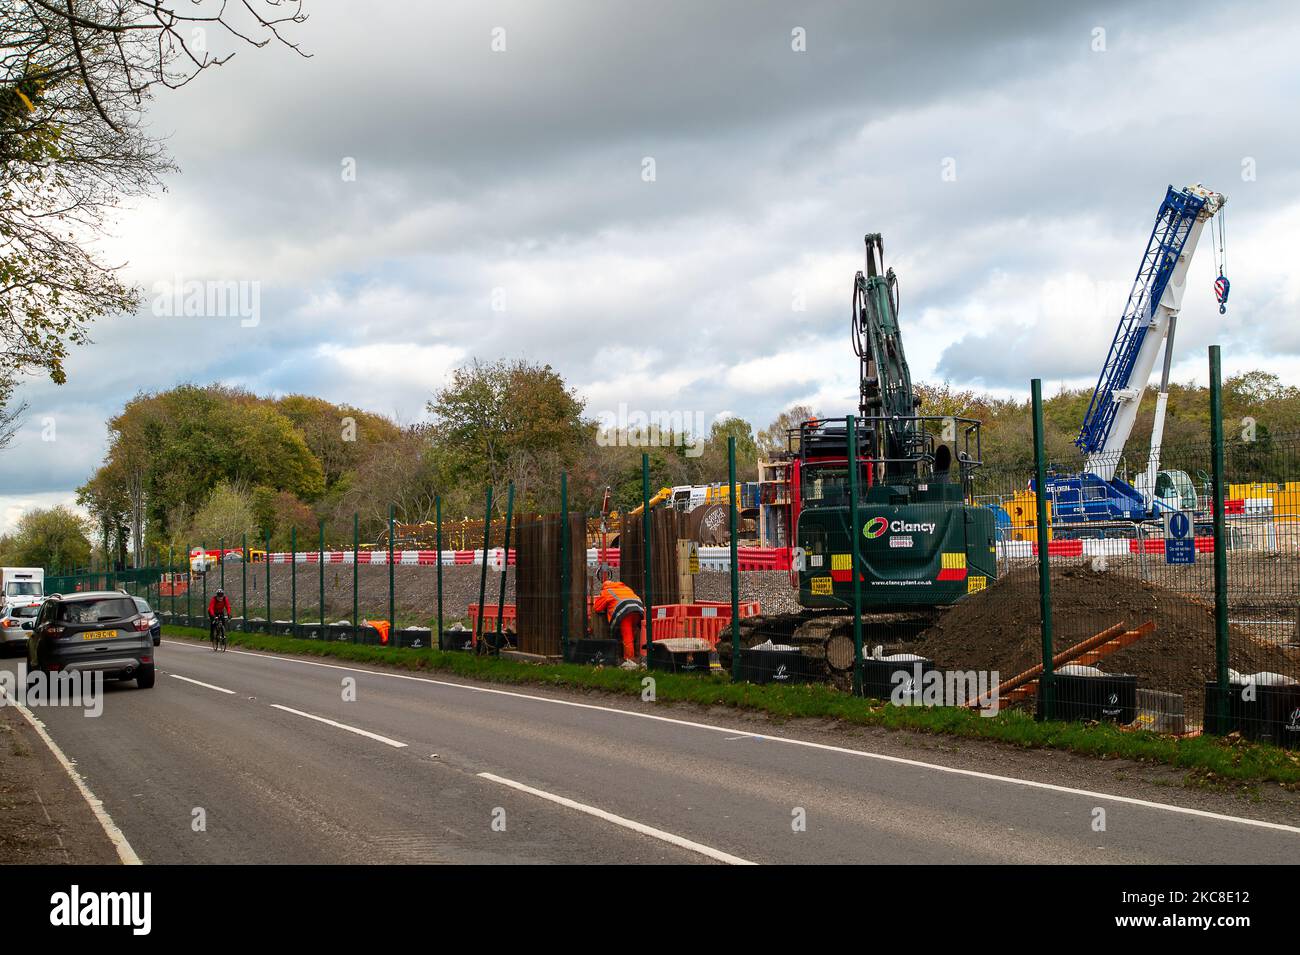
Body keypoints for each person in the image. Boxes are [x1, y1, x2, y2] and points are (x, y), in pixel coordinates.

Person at [592, 579, 645, 662]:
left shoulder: (606, 591)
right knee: (633, 634)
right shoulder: (626, 588)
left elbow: (597, 608)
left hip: (626, 611)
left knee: (628, 637)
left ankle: (630, 660)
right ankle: (638, 656)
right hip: (638, 609)